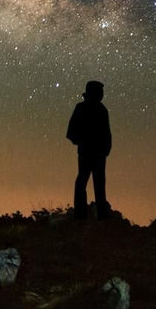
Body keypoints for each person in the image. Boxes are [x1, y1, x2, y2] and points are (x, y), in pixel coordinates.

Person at [67, 80, 112, 219]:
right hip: (92, 152)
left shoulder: (99, 109)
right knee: (91, 183)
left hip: (93, 152)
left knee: (90, 183)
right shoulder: (96, 109)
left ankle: (84, 217)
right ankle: (92, 217)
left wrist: (104, 149)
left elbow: (106, 133)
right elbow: (71, 132)